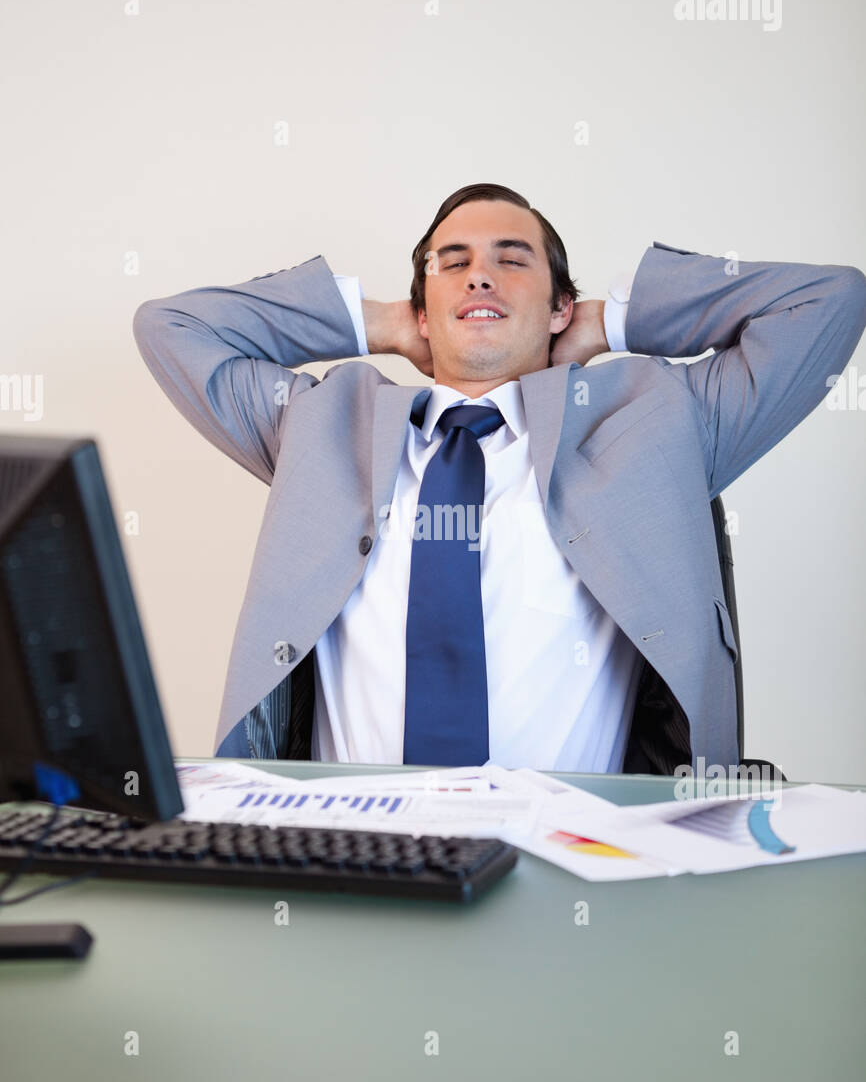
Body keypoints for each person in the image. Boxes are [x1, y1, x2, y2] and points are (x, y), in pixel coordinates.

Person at [132, 182, 866, 773]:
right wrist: (384, 323)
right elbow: (171, 327)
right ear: (425, 308)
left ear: (558, 307)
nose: (478, 272)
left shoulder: (658, 421)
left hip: (573, 873)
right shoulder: (321, 422)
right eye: (450, 263)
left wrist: (613, 323)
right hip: (344, 859)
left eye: (512, 259)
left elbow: (828, 302)